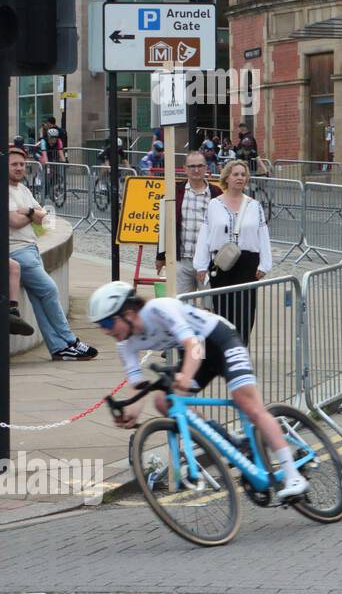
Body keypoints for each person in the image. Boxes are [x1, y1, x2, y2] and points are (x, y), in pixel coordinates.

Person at [88, 281, 307, 500]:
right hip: (200, 355)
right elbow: (139, 386)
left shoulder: (158, 309)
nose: (105, 330)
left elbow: (193, 345)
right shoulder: (125, 344)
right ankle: (230, 439)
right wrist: (131, 413)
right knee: (164, 402)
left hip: (221, 341)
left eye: (108, 322)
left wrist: (185, 376)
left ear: (128, 312)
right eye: (101, 325)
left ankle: (293, 475)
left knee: (247, 403)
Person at [8, 147, 96, 359]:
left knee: (39, 301)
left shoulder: (23, 189)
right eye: (14, 164)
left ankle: (59, 348)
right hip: (18, 251)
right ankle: (70, 340)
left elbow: (44, 216)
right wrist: (32, 214)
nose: (19, 168)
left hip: (31, 248)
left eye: (22, 164)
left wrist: (28, 212)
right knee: (48, 290)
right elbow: (15, 221)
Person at [194, 160, 273, 344]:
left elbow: (263, 234)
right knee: (223, 310)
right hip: (222, 263)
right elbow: (205, 234)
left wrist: (265, 264)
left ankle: (240, 348)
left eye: (243, 175)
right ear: (227, 177)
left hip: (247, 263)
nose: (240, 178)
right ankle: (225, 348)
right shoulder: (214, 204)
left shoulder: (254, 205)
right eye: (235, 174)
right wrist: (200, 265)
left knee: (245, 311)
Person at [156, 152, 224, 295]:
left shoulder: (216, 193)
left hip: (208, 262)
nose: (196, 170)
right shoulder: (175, 192)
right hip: (182, 260)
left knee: (210, 305)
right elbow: (165, 225)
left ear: (206, 168)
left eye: (200, 166)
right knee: (181, 306)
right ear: (185, 168)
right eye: (192, 166)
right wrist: (160, 256)